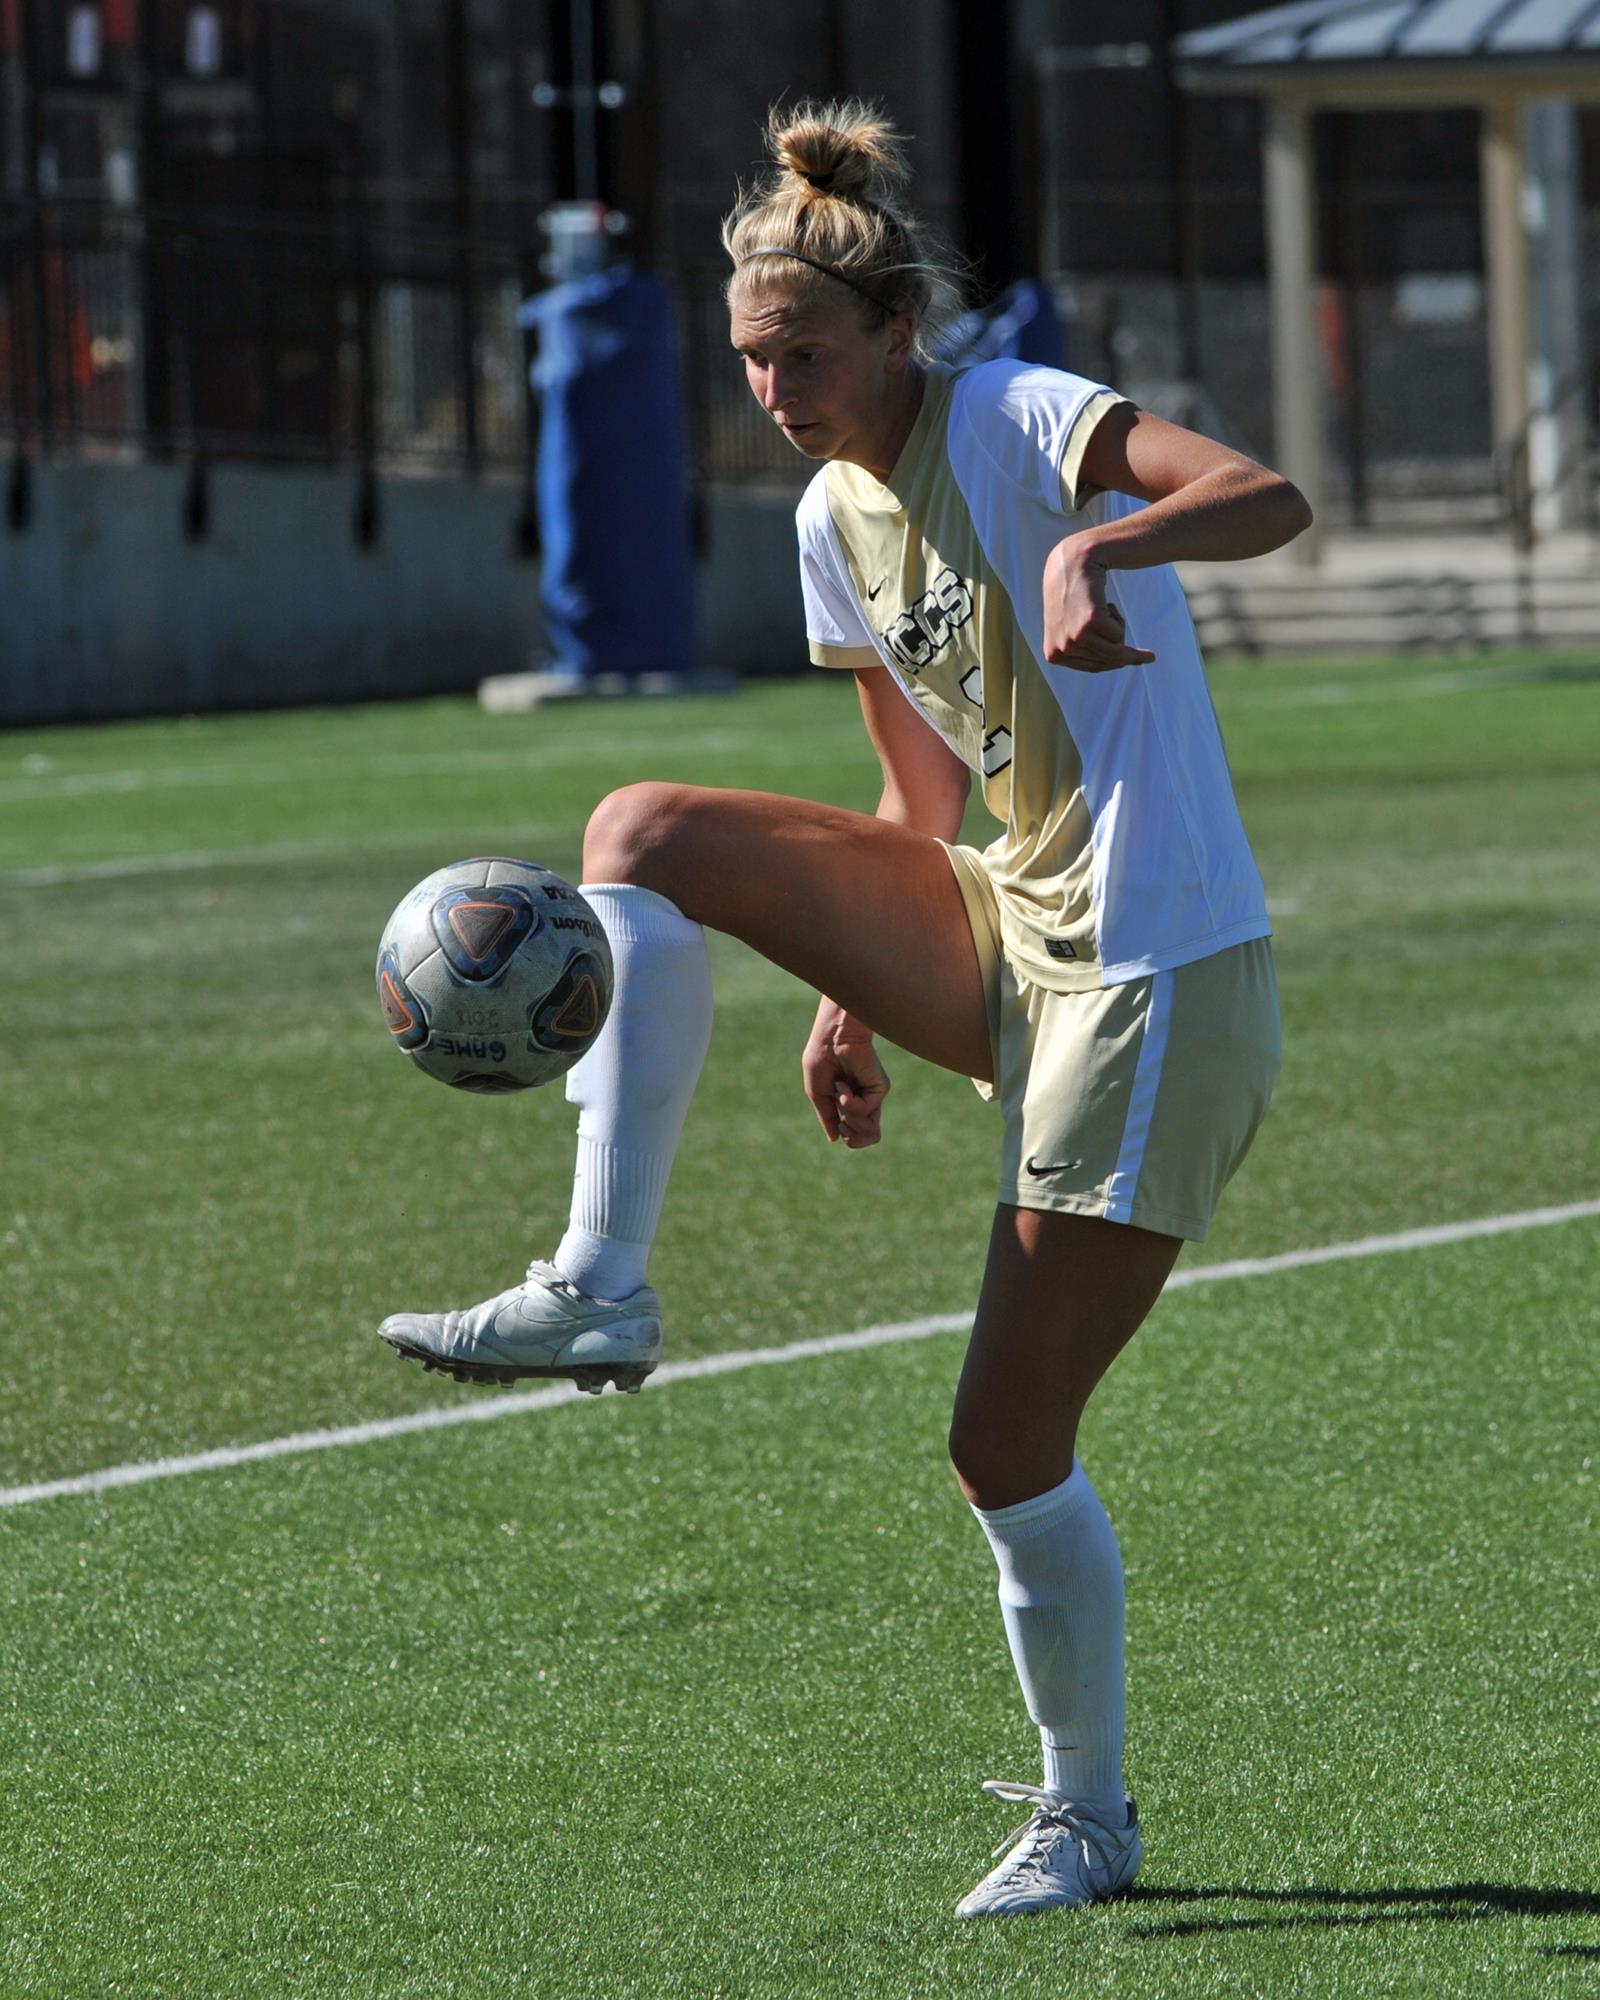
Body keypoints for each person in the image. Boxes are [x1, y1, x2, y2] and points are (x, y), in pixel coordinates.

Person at [380, 100, 1307, 1918]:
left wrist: (1100, 552)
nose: (775, 387)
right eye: (747, 360)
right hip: (1007, 929)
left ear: (897, 331)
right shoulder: (828, 518)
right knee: (640, 828)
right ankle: (601, 1284)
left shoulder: (1023, 415)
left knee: (1001, 1442)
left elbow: (1268, 494)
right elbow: (919, 804)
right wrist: (851, 992)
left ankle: (1090, 1819)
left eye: (803, 351)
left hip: (1155, 976)